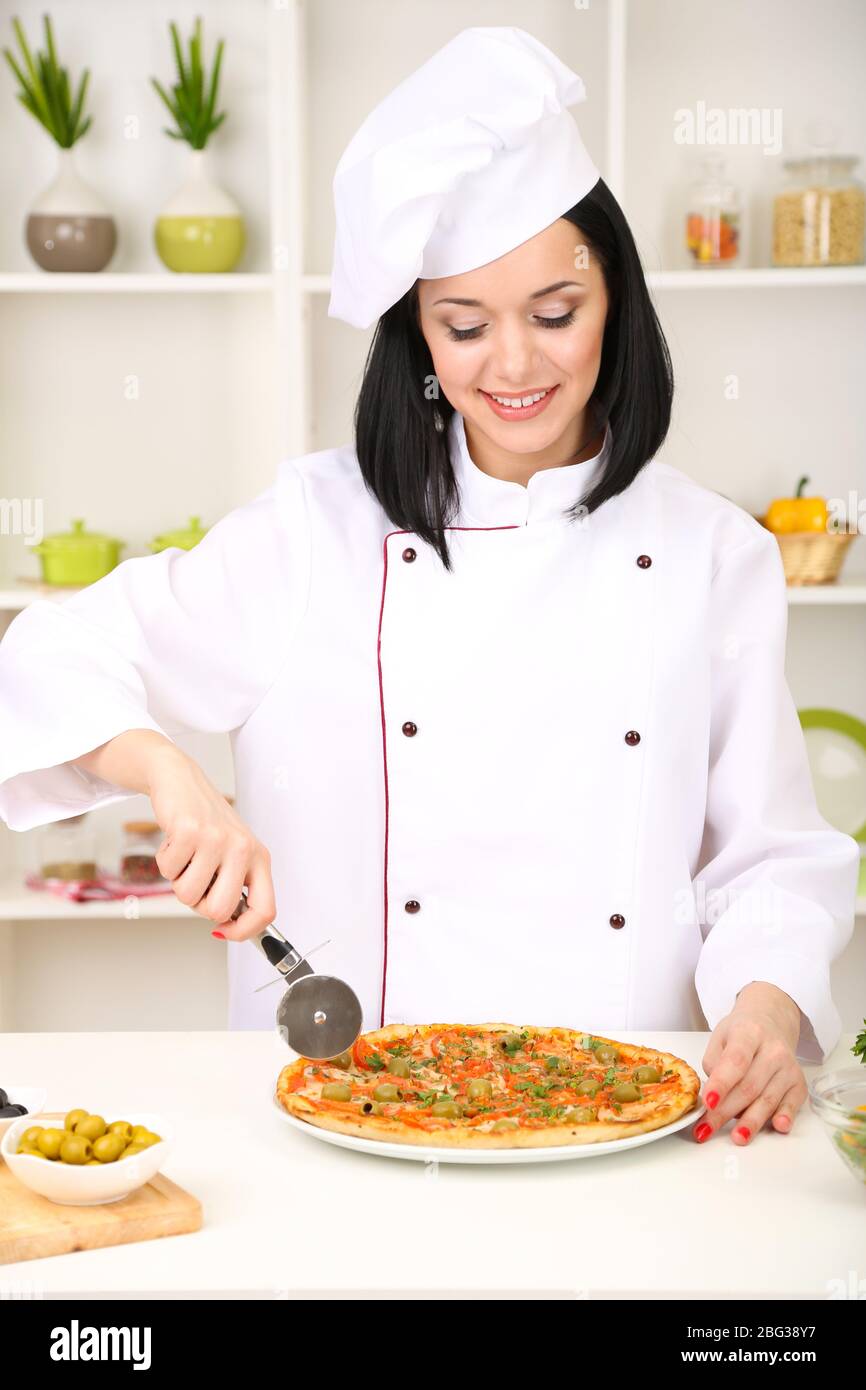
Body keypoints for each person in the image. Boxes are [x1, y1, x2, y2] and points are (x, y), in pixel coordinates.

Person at [0, 27, 858, 1148]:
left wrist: (762, 998)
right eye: (463, 325)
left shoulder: (712, 553)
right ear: (418, 336)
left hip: (632, 1120)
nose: (512, 366)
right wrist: (167, 773)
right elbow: (48, 652)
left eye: (555, 314)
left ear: (618, 308)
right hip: (346, 1119)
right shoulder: (316, 531)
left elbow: (768, 855)